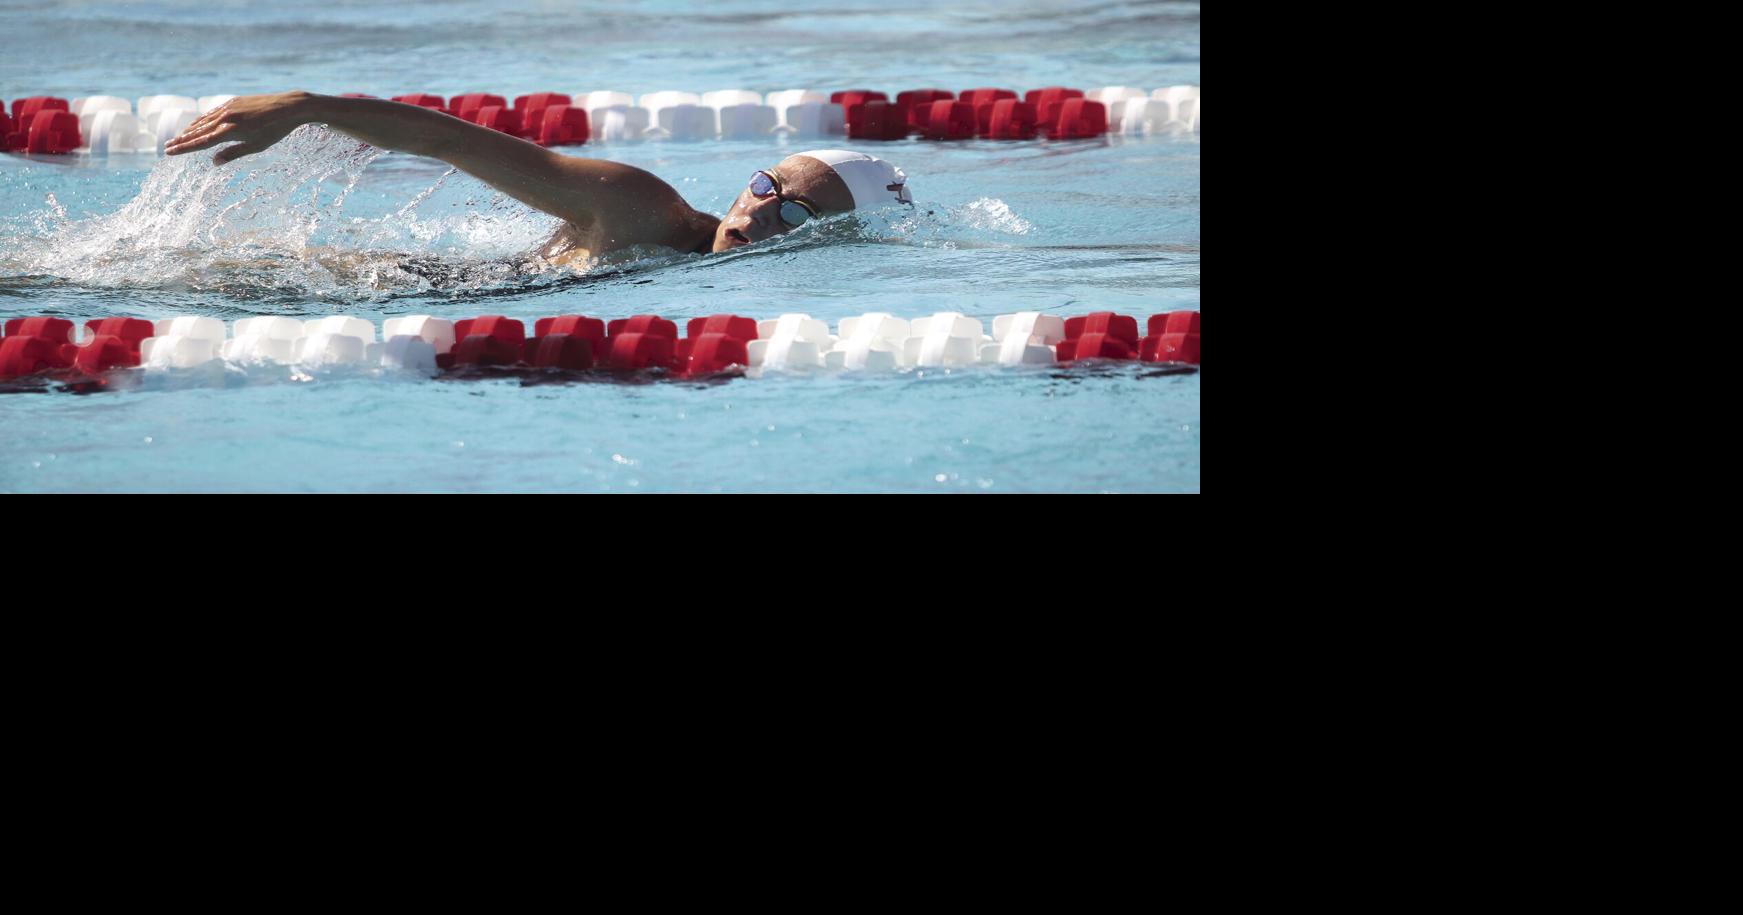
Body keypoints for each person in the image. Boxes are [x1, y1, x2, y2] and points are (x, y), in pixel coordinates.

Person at [165, 91, 911, 267]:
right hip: (397, 282)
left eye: (799, 218)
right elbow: (450, 141)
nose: (758, 216)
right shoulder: (637, 205)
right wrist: (307, 107)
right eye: (763, 187)